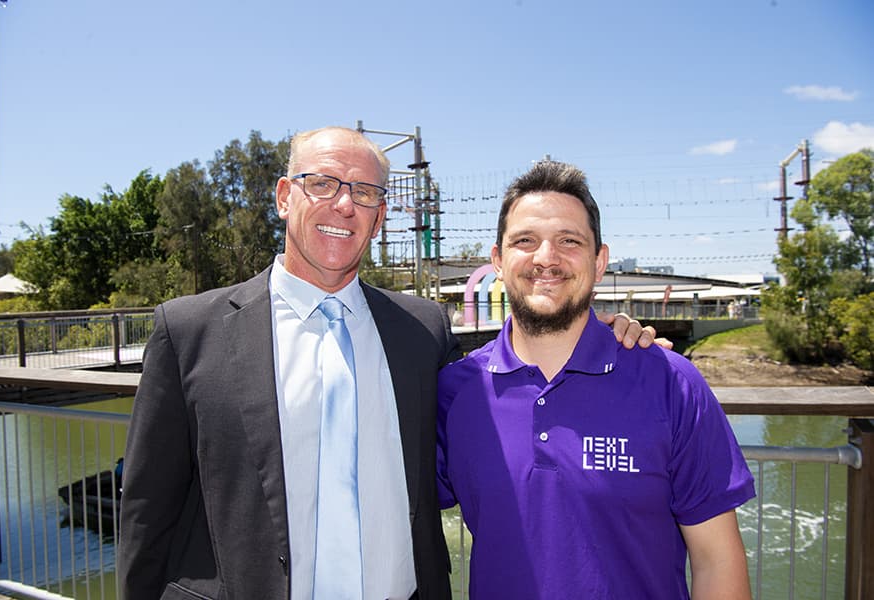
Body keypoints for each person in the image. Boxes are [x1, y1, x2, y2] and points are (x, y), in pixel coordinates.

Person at [117, 126, 659, 600]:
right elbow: (147, 514)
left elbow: (509, 381)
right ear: (285, 196)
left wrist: (599, 331)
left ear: (379, 218)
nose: (344, 205)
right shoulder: (189, 332)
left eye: (366, 192)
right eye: (322, 184)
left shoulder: (423, 332)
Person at [436, 160, 756, 599]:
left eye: (569, 241)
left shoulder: (672, 384)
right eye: (525, 241)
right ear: (498, 260)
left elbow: (716, 559)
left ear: (599, 261)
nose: (546, 258)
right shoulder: (455, 390)